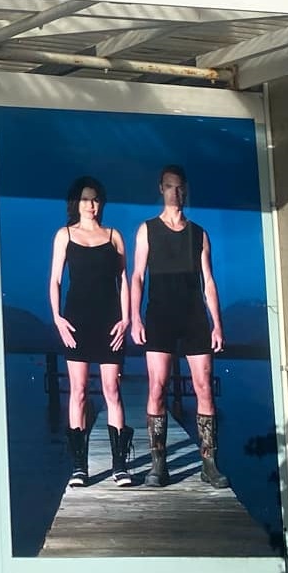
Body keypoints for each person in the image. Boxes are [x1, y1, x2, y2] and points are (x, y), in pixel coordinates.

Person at [128, 165, 231, 489]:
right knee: (156, 387)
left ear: (186, 190)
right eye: (170, 187)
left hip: (194, 317)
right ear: (161, 188)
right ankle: (159, 464)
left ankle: (209, 463)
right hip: (159, 315)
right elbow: (137, 276)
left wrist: (217, 324)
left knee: (203, 387)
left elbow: (209, 282)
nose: (176, 193)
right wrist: (135, 316)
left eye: (181, 187)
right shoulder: (147, 230)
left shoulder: (199, 233)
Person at [46, 175, 134, 488]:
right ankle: (79, 467)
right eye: (85, 199)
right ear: (76, 203)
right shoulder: (65, 235)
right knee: (79, 390)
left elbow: (124, 280)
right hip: (76, 320)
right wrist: (57, 318)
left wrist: (127, 320)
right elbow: (55, 280)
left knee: (112, 389)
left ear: (101, 203)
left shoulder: (114, 236)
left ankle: (120, 466)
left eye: (95, 199)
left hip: (110, 320)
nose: (91, 205)